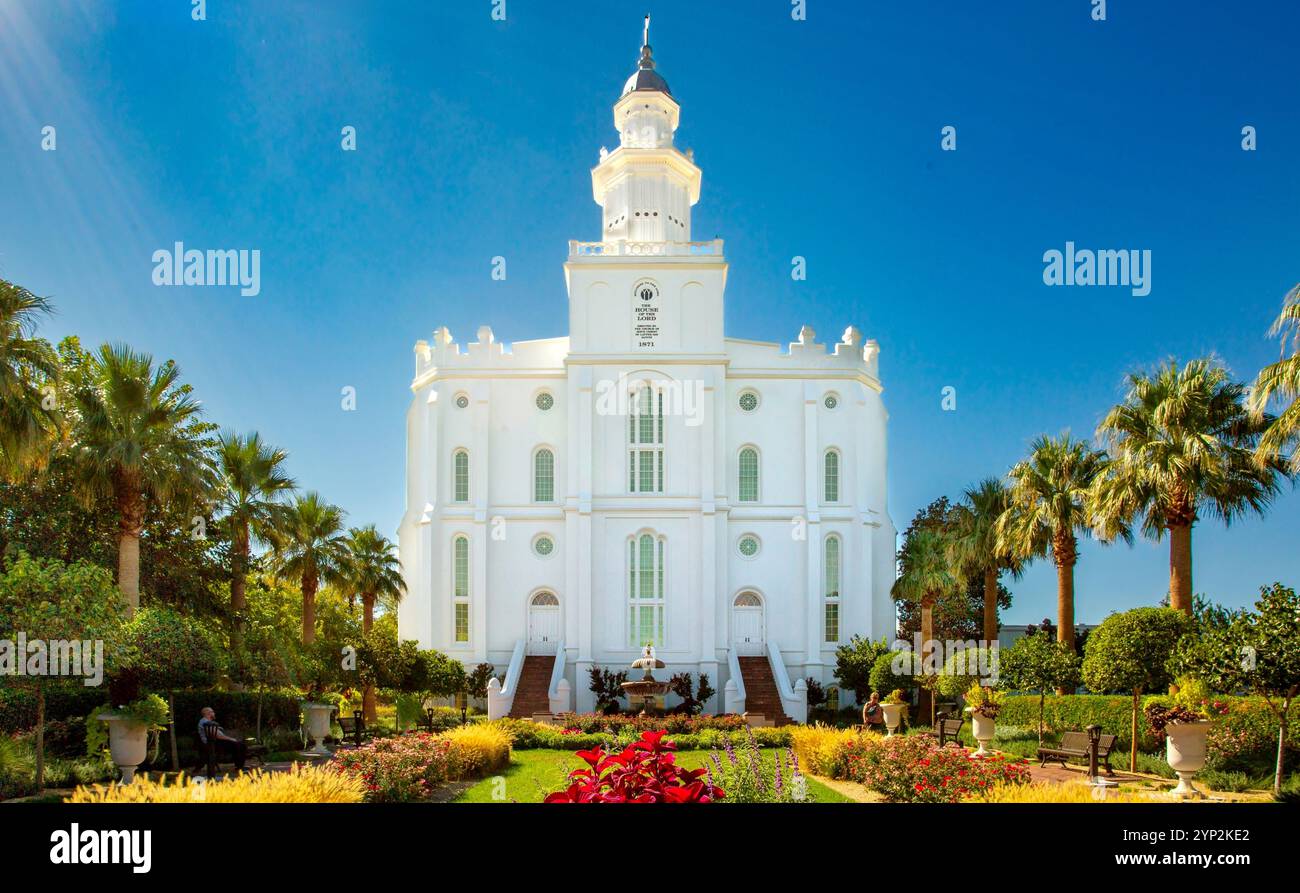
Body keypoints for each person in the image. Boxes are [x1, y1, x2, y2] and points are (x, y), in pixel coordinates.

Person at [198, 707, 247, 776]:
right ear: (207, 713)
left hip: (215, 742)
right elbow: (218, 736)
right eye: (212, 712)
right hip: (212, 743)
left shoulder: (206, 721)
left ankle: (239, 766)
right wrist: (231, 739)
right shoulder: (205, 722)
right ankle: (239, 767)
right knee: (239, 745)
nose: (214, 713)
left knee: (238, 745)